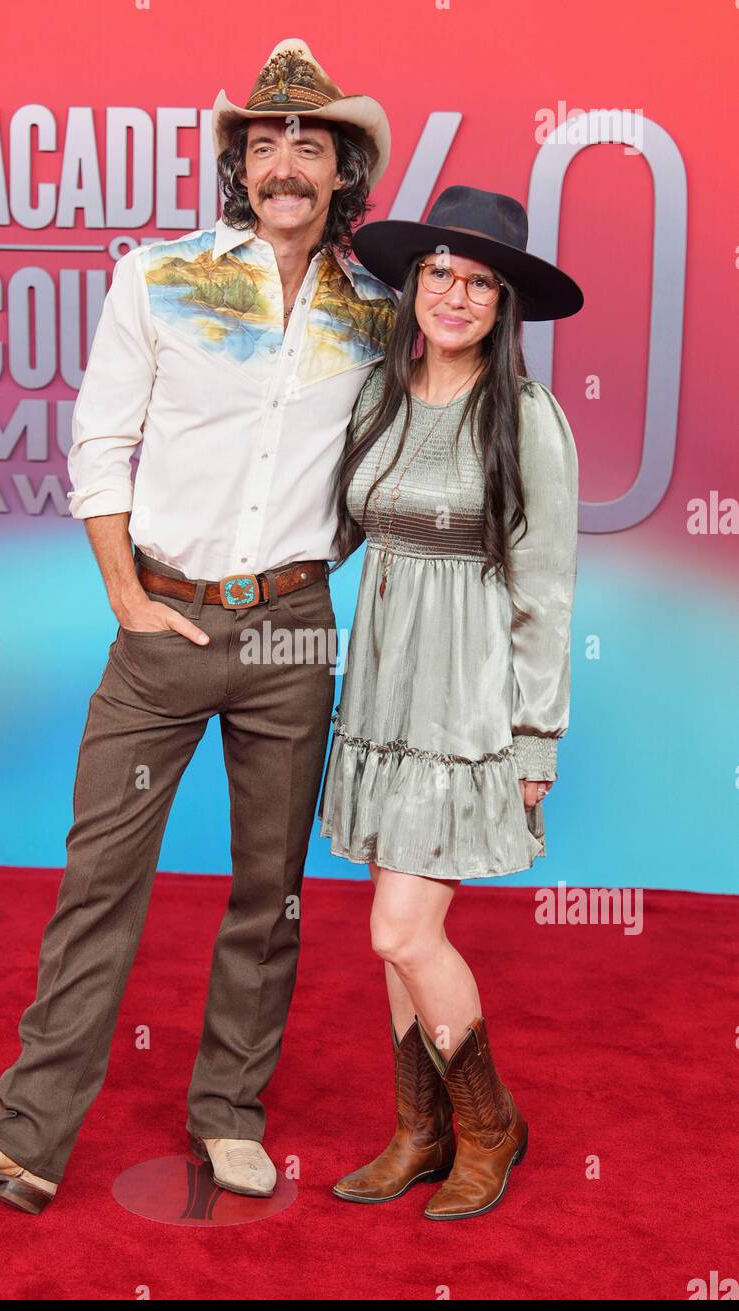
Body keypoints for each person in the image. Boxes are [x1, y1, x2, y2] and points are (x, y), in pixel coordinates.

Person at [0, 37, 397, 1213]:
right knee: (100, 877)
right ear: (239, 164)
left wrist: (309, 576)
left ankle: (229, 1110)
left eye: (308, 145)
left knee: (270, 887)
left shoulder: (377, 310)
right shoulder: (158, 277)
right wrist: (128, 595)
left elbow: (390, 464)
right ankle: (26, 1134)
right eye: (264, 142)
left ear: (341, 171)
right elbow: (100, 443)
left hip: (289, 637)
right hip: (158, 618)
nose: (284, 161)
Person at [317, 184, 583, 1220]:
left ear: (502, 302)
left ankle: (488, 1125)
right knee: (390, 934)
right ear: (411, 284)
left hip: (465, 706)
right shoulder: (376, 397)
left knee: (398, 932)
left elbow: (545, 592)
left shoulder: (523, 417)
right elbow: (335, 526)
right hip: (381, 690)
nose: (456, 295)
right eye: (439, 273)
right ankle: (418, 1132)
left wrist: (534, 738)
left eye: (479, 282)